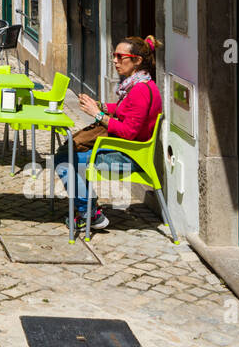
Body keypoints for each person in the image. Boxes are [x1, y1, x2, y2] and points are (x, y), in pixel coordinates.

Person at [53, 35, 164, 233]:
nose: (115, 60)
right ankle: (89, 208)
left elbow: (129, 132)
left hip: (129, 157)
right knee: (68, 152)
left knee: (65, 159)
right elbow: (124, 110)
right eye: (114, 55)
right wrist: (102, 106)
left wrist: (98, 115)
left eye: (121, 57)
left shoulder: (140, 90)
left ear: (137, 60)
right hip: (124, 150)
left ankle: (89, 214)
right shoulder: (139, 84)